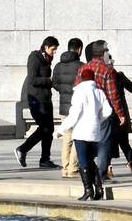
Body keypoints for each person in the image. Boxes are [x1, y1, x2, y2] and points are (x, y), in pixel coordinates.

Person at [60, 65, 113, 202]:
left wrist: (62, 129)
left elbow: (74, 114)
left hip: (81, 132)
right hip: (95, 131)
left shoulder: (80, 92)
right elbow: (108, 111)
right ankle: (99, 188)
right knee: (90, 160)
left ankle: (88, 190)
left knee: (84, 162)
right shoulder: (99, 92)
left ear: (82, 79)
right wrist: (97, 119)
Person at [80, 39, 126, 189]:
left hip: (87, 112)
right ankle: (101, 174)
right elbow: (113, 95)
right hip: (104, 112)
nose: (108, 53)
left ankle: (92, 173)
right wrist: (120, 113)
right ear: (101, 53)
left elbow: (77, 88)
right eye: (107, 50)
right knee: (104, 143)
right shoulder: (108, 70)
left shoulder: (84, 68)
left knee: (90, 142)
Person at [15, 35, 60, 170]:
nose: (55, 52)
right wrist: (49, 80)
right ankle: (23, 149)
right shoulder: (35, 57)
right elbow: (33, 79)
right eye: (53, 49)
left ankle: (45, 160)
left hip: (46, 99)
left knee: (49, 129)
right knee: (44, 128)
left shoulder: (47, 60)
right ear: (46, 47)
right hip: (36, 99)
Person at [52, 38, 84, 180]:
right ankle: (73, 167)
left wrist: (64, 91)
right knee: (78, 138)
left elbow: (54, 83)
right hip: (77, 107)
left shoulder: (58, 65)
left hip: (64, 107)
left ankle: (65, 168)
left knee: (67, 137)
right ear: (79, 49)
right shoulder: (81, 66)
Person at [110, 64, 132, 180]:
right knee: (125, 143)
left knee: (108, 143)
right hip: (122, 114)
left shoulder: (103, 77)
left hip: (110, 114)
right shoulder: (119, 75)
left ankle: (107, 168)